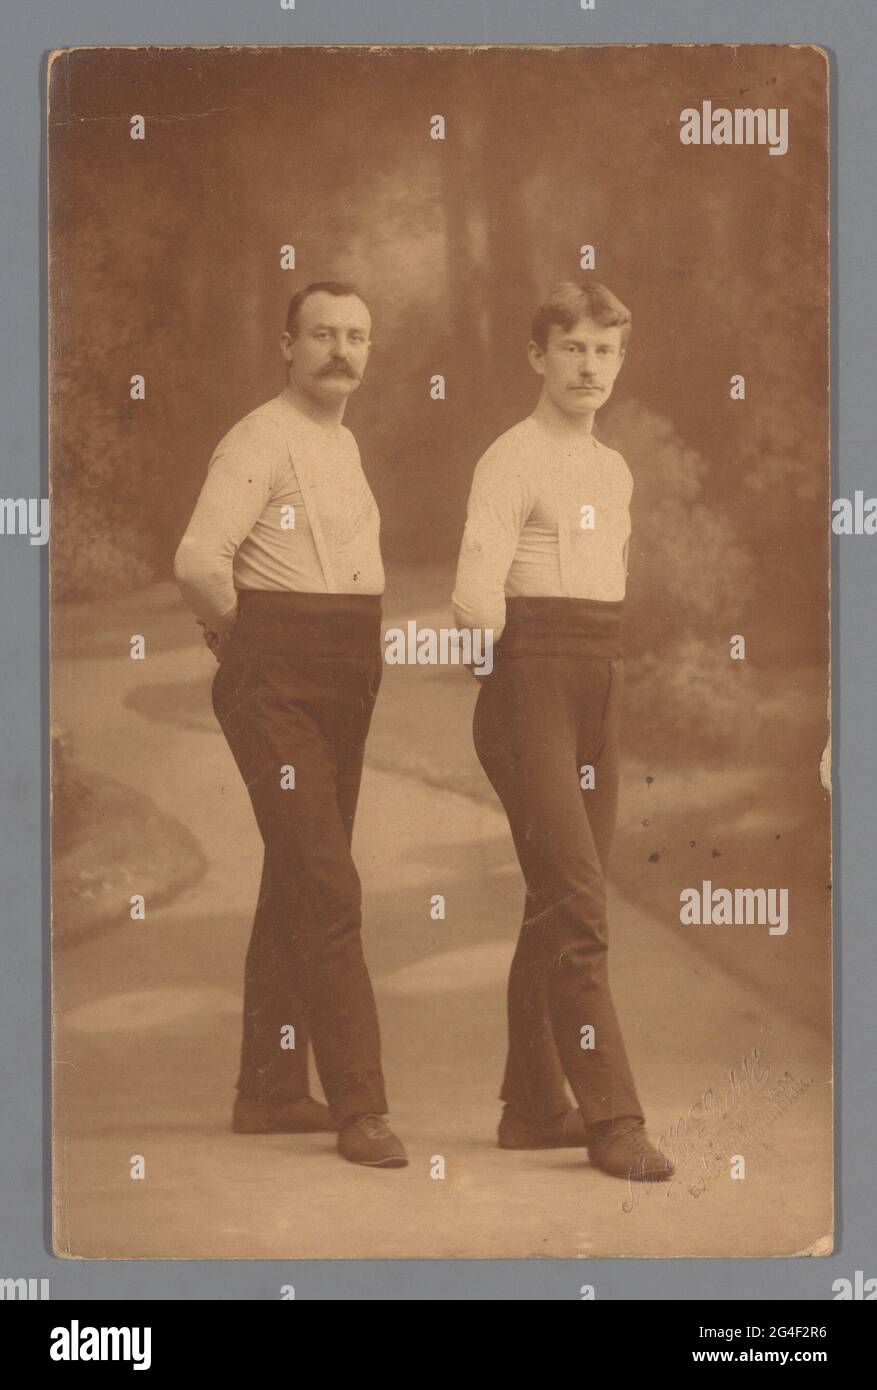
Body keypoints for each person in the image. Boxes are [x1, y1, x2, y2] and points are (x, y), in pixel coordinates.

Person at [174, 281, 407, 1169]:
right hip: (275, 673)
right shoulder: (258, 438)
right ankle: (362, 1105)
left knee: (298, 874)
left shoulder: (339, 443)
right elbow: (199, 560)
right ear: (286, 345)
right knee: (326, 880)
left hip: (345, 670)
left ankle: (269, 1091)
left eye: (356, 335)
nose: (341, 351)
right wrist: (246, 638)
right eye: (322, 334)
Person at [452, 281, 673, 1182]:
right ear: (537, 355)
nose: (590, 366)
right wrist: (510, 680)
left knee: (560, 899)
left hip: (598, 679)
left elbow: (610, 585)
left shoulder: (613, 469)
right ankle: (612, 1118)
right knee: (578, 900)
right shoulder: (509, 458)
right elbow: (472, 600)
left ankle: (532, 1105)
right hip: (529, 684)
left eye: (606, 351)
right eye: (573, 348)